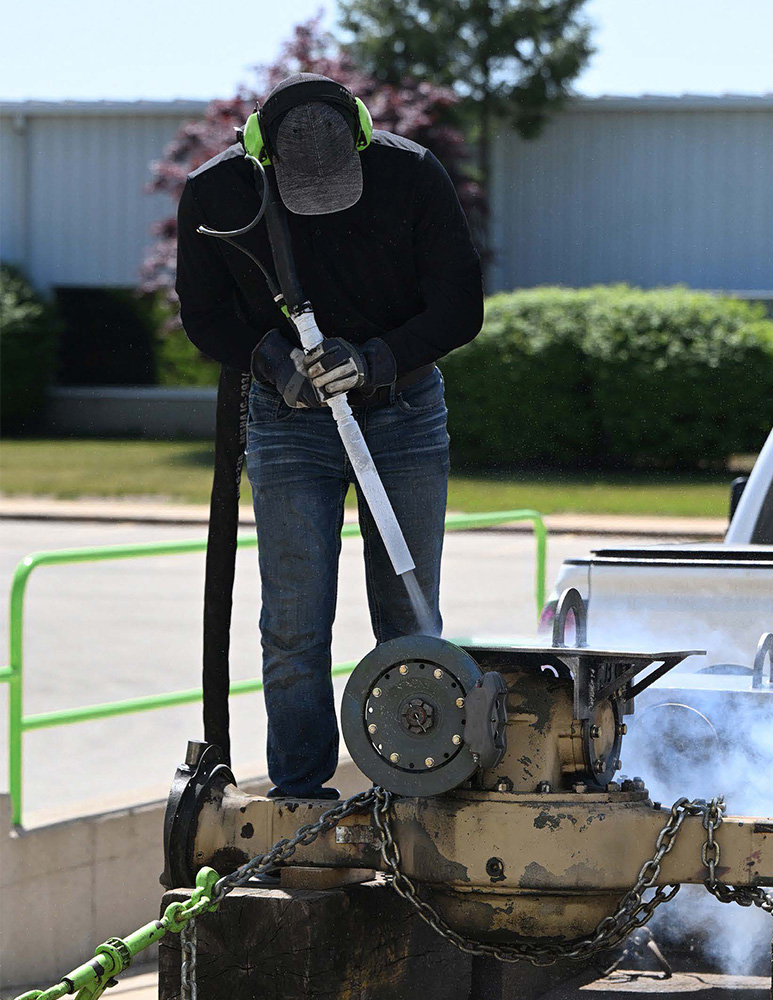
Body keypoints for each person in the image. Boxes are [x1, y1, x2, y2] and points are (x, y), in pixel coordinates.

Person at [175, 73, 483, 798]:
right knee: (293, 622)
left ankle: (413, 784)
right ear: (263, 153)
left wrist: (374, 361)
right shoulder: (218, 193)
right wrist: (273, 361)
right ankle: (300, 793)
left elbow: (460, 305)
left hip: (403, 413)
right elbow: (206, 314)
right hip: (288, 422)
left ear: (363, 140)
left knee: (409, 615)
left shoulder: (410, 175)